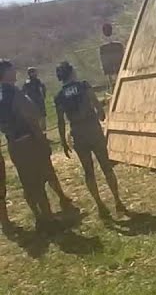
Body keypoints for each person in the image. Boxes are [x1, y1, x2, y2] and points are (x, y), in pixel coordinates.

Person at [0, 60, 74, 226]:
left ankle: (38, 216)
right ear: (5, 73)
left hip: (13, 143)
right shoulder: (14, 92)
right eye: (12, 69)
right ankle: (48, 218)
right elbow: (31, 115)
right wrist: (41, 140)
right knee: (39, 180)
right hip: (28, 141)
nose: (15, 71)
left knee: (27, 182)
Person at [54, 62, 127, 216]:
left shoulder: (59, 96)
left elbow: (60, 121)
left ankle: (99, 204)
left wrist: (63, 141)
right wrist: (101, 114)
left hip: (77, 132)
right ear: (71, 72)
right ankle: (117, 200)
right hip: (92, 128)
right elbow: (95, 104)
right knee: (106, 166)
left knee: (88, 171)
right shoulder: (83, 86)